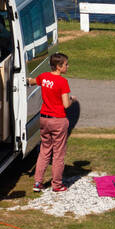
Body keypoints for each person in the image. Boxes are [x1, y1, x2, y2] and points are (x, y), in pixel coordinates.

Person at [28, 52, 73, 193]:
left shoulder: (44, 77)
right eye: (66, 64)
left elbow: (32, 81)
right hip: (58, 120)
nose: (67, 66)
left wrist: (27, 79)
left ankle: (38, 182)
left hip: (44, 119)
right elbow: (66, 104)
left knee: (44, 150)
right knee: (58, 154)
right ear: (59, 66)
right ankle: (57, 184)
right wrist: (72, 99)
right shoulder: (62, 82)